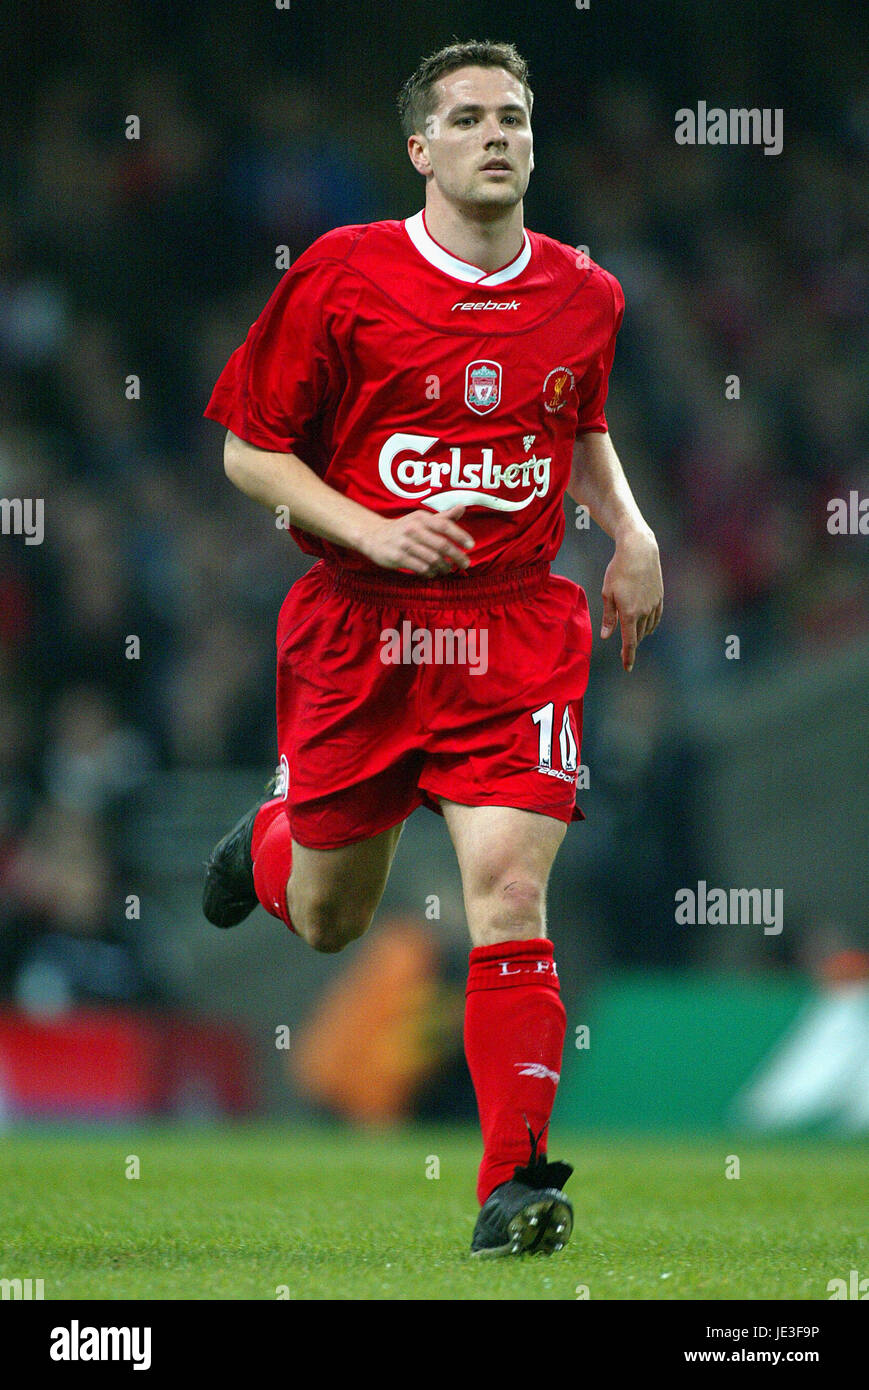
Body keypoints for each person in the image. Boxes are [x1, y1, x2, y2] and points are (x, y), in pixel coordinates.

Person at [202, 39, 663, 1257]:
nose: (497, 134)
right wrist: (369, 528)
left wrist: (626, 527)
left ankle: (513, 1189)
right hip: (361, 626)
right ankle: (269, 843)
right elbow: (250, 452)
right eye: (467, 119)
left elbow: (578, 420)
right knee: (329, 919)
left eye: (512, 115)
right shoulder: (342, 276)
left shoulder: (586, 292)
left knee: (509, 892)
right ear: (421, 149)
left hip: (515, 625)